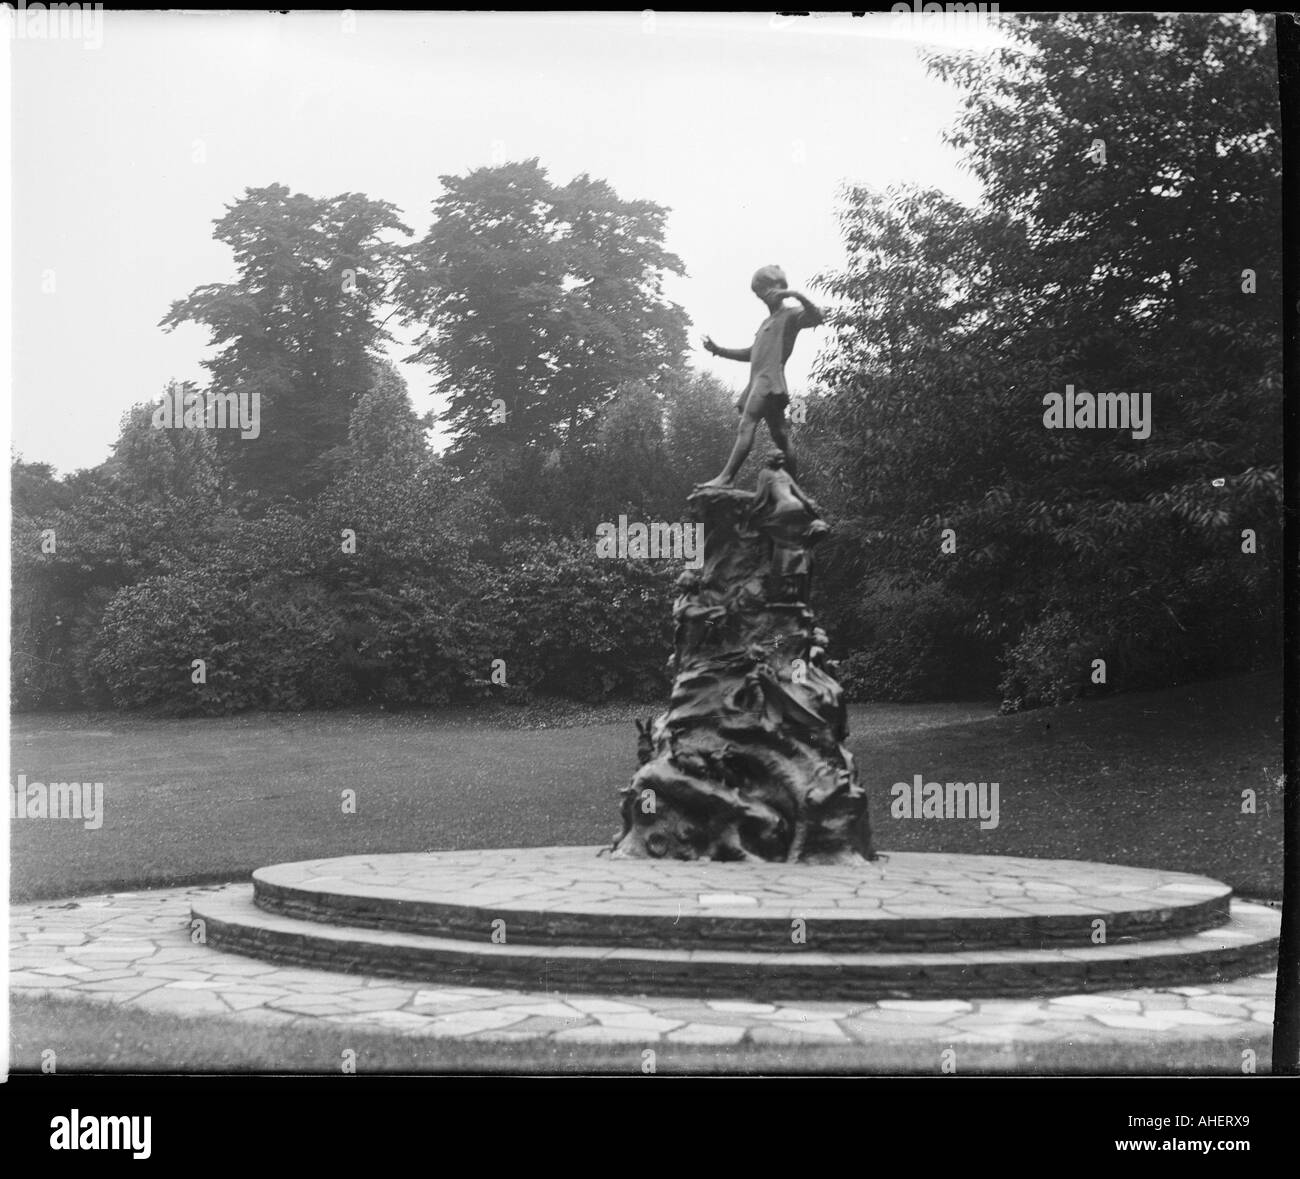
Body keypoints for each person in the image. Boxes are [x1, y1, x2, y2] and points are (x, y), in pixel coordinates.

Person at [696, 265, 823, 488]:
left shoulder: (791, 314)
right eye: (759, 293)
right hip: (758, 382)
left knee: (747, 425)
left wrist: (795, 294)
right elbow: (751, 353)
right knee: (781, 436)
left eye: (766, 289)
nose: (763, 296)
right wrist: (718, 350)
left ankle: (725, 478)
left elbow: (817, 317)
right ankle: (793, 488)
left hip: (769, 381)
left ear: (779, 287)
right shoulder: (766, 322)